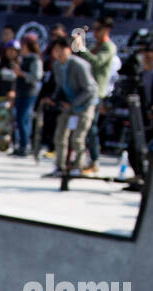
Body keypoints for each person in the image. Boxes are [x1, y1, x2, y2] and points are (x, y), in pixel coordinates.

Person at [48, 35, 97, 175]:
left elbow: (90, 89)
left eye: (61, 49)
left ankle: (79, 166)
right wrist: (56, 99)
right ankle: (60, 165)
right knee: (60, 135)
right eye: (55, 49)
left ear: (69, 49)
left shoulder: (79, 65)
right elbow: (60, 87)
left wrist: (74, 104)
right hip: (68, 104)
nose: (58, 52)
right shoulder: (57, 65)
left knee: (78, 138)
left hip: (85, 104)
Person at [74, 18, 116, 175]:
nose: (95, 31)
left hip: (96, 93)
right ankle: (80, 160)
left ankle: (94, 161)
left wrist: (83, 49)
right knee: (81, 128)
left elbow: (96, 62)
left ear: (107, 29)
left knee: (91, 128)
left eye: (98, 28)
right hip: (84, 91)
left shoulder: (108, 47)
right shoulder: (95, 46)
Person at [10, 33, 43, 155]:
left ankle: (25, 146)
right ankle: (20, 145)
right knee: (19, 119)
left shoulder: (35, 59)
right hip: (21, 92)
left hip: (29, 93)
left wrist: (22, 74)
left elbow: (37, 76)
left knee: (23, 119)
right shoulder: (24, 58)